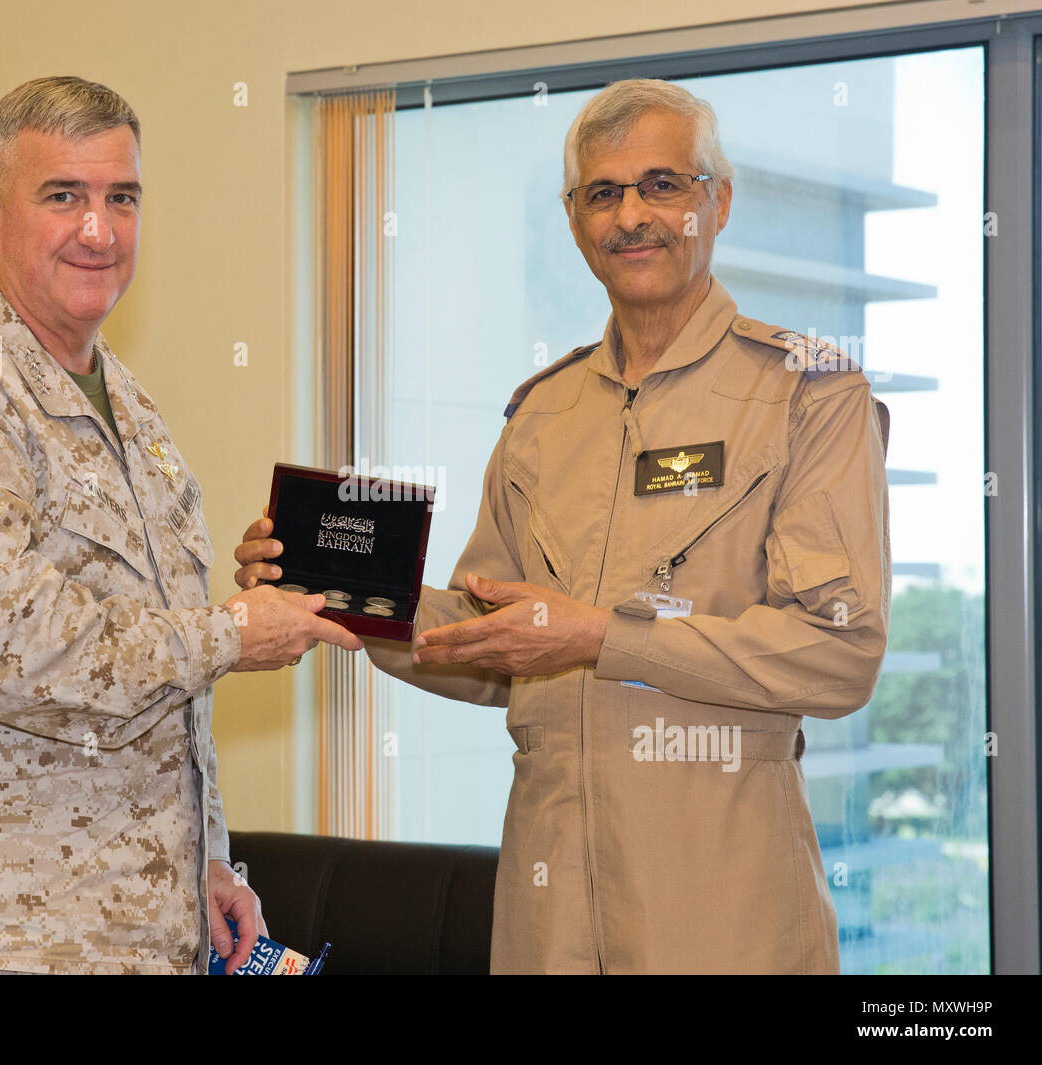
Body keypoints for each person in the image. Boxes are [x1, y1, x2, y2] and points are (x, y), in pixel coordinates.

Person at [234, 78, 890, 974]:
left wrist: (602, 638)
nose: (632, 215)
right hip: (548, 924)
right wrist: (327, 589)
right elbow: (487, 639)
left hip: (725, 916)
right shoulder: (541, 413)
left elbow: (839, 653)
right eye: (602, 193)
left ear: (718, 202)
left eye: (662, 184)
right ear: (576, 221)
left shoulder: (809, 394)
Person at [0, 76, 360, 975]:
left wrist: (203, 863)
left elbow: (157, 686)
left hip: (130, 939)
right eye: (64, 196)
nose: (99, 230)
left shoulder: (125, 401)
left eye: (122, 198)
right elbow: (3, 648)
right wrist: (229, 633)